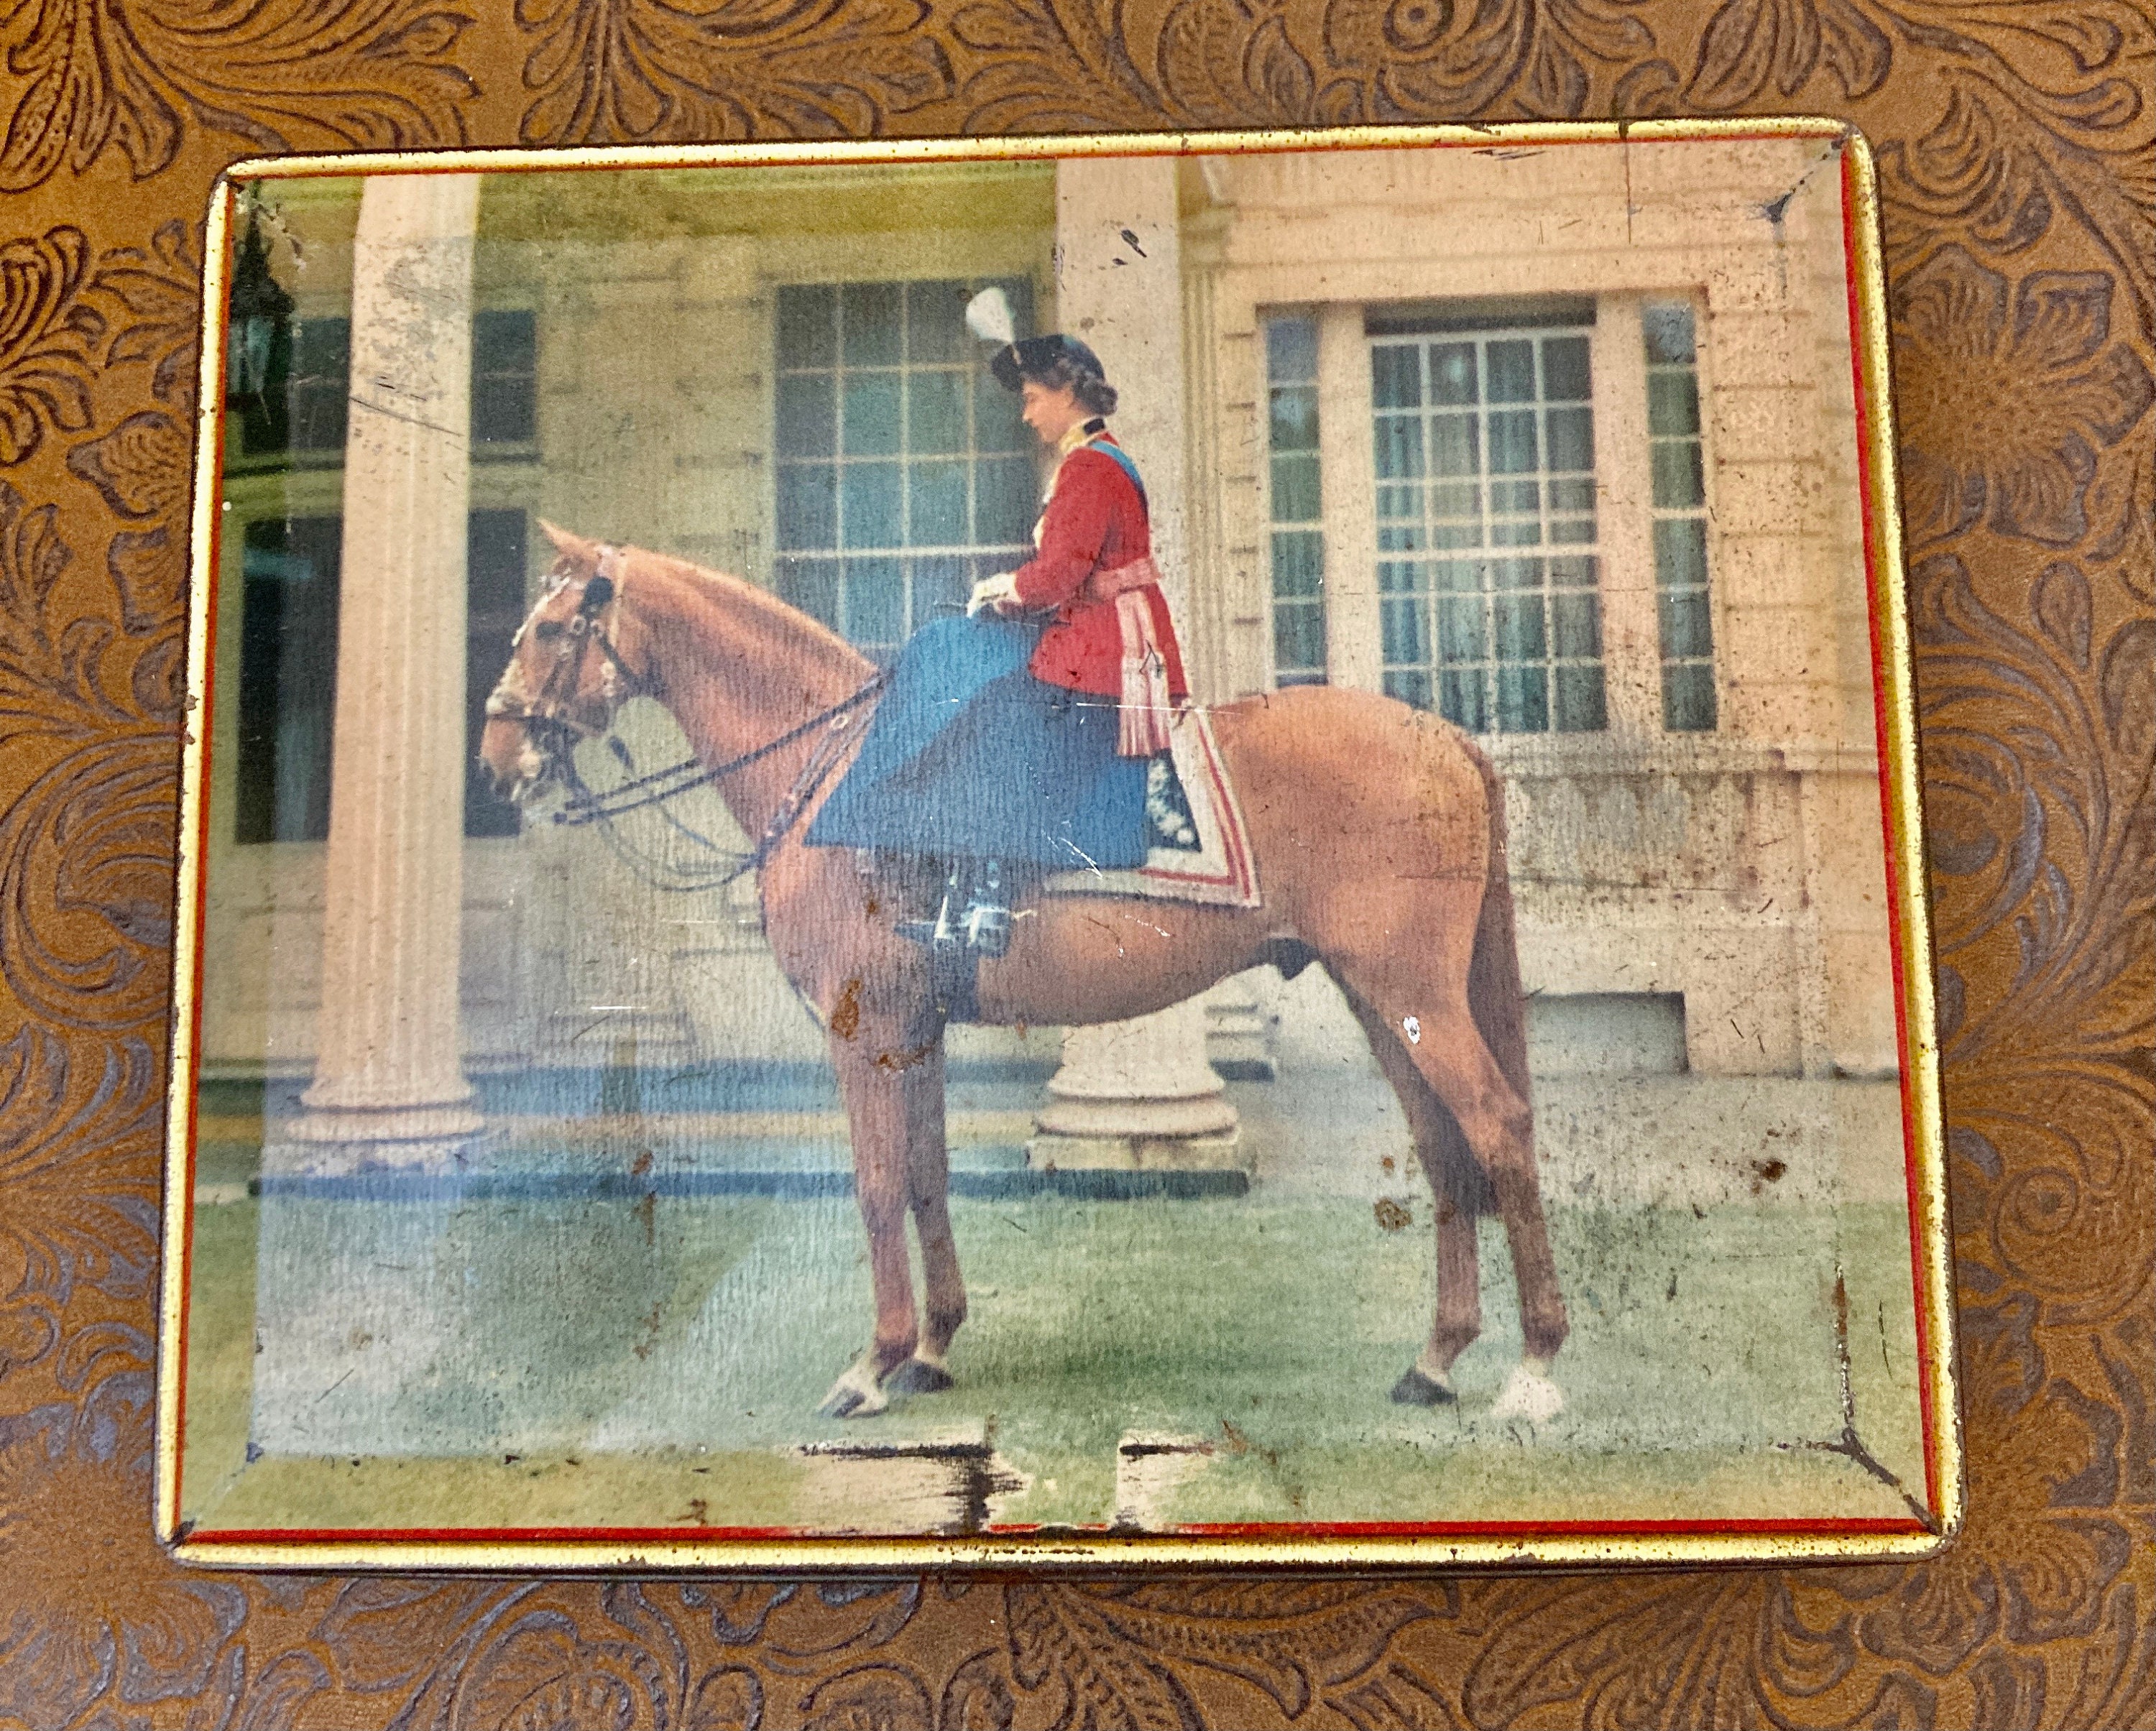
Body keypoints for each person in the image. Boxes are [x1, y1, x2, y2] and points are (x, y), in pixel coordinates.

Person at [805, 303, 1192, 971]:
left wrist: (1004, 588)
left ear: (1070, 395)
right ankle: (969, 893)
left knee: (996, 717)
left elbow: (1061, 575)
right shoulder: (1094, 460)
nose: (1026, 413)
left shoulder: (1091, 467)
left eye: (1035, 398)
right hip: (1094, 633)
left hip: (1102, 649)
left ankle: (986, 900)